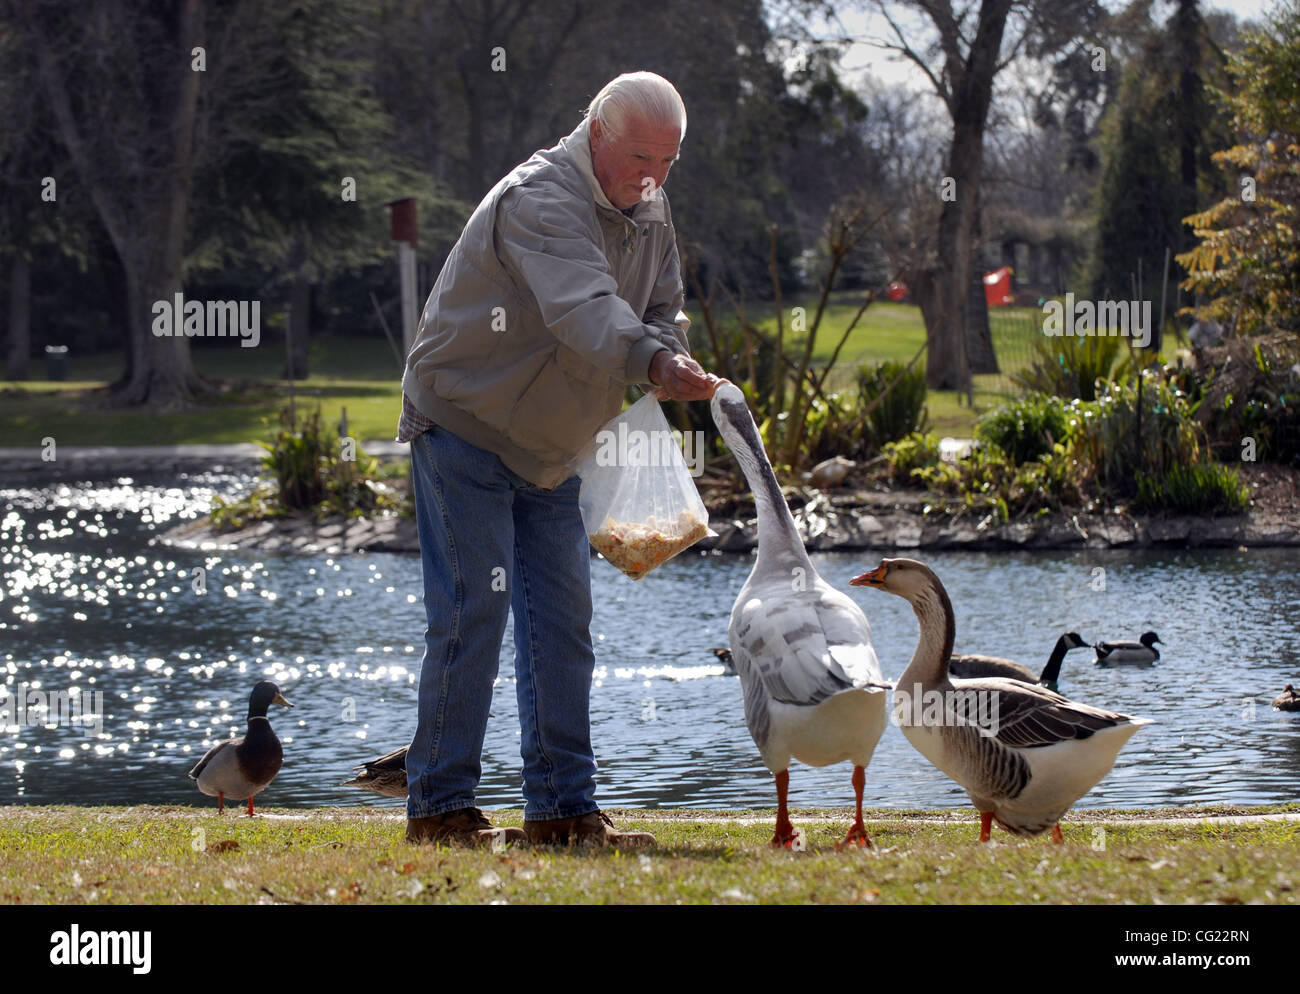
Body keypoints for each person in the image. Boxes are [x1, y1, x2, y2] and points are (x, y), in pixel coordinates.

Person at [396, 72, 718, 847]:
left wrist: (667, 349)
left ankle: (564, 813)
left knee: (562, 625)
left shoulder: (649, 204)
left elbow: (657, 307)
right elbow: (585, 308)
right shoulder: (541, 197)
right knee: (474, 609)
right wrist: (650, 362)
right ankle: (438, 810)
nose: (654, 176)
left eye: (669, 162)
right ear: (597, 135)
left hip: (556, 444)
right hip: (465, 424)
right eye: (641, 156)